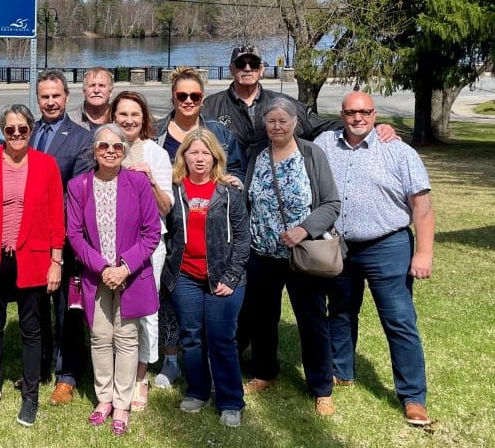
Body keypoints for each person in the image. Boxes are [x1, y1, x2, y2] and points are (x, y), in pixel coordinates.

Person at [316, 92, 435, 426]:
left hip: (388, 245)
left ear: (374, 113)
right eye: (351, 112)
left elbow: (422, 206)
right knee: (340, 310)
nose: (358, 118)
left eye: (365, 112)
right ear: (341, 114)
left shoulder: (397, 150)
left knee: (398, 318)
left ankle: (413, 397)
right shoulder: (326, 144)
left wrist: (424, 253)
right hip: (340, 246)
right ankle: (342, 372)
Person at [0, 104, 65, 427]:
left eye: (23, 129)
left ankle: (31, 396)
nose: (17, 135)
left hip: (33, 258)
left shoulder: (46, 166)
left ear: (31, 130)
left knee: (31, 328)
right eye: (10, 130)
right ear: (2, 132)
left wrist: (56, 260)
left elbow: (55, 217)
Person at [243, 97, 340, 417]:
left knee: (312, 320)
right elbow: (248, 200)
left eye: (284, 120)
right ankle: (264, 371)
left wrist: (305, 230)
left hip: (302, 253)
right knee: (262, 318)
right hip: (262, 253)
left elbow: (331, 203)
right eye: (271, 121)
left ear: (296, 123)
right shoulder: (256, 156)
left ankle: (322, 387)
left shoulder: (311, 154)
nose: (277, 126)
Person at [66, 124, 160, 436]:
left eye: (117, 146)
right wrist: (103, 268)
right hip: (96, 275)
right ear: (94, 150)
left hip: (130, 276)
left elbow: (151, 233)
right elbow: (75, 235)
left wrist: (124, 267)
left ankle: (122, 402)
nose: (110, 151)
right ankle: (103, 398)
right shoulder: (78, 185)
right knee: (99, 336)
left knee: (127, 338)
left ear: (124, 150)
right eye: (104, 146)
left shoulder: (137, 183)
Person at [163, 129, 250, 428]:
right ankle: (198, 390)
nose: (199, 158)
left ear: (215, 156)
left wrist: (231, 275)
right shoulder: (173, 191)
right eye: (193, 152)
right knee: (191, 336)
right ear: (183, 156)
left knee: (221, 339)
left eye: (205, 153)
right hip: (185, 275)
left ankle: (230, 400)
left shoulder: (228, 191)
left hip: (224, 276)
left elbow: (242, 238)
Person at [203, 45, 399, 167]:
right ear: (231, 69)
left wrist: (374, 126)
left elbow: (322, 125)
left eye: (253, 64)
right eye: (240, 64)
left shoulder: (283, 104)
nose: (247, 68)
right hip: (229, 190)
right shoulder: (211, 106)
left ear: (261, 70)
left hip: (272, 189)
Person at [30, 69, 93, 405]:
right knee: (36, 305)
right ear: (38, 99)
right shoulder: (30, 133)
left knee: (66, 308)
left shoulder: (81, 138)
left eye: (56, 96)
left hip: (64, 237)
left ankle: (67, 374)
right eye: (45, 96)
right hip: (31, 238)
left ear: (67, 97)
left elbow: (77, 192)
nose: (51, 102)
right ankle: (39, 366)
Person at [110, 90, 175, 406]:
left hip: (149, 246)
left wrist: (150, 181)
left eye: (135, 115)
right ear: (113, 117)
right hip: (112, 245)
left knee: (146, 310)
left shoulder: (156, 154)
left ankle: (139, 377)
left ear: (144, 119)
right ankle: (114, 371)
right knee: (112, 311)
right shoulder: (107, 150)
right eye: (123, 114)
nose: (129, 120)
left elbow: (166, 208)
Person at [153, 66, 246, 178]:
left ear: (202, 100)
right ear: (173, 99)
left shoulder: (220, 132)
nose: (188, 101)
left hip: (211, 195)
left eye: (195, 96)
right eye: (182, 96)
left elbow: (238, 169)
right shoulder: (154, 133)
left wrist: (235, 181)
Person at [75, 66, 114, 131]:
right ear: (84, 91)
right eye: (92, 85)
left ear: (111, 92)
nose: (96, 90)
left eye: (101, 85)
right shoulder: (69, 119)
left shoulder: (119, 119)